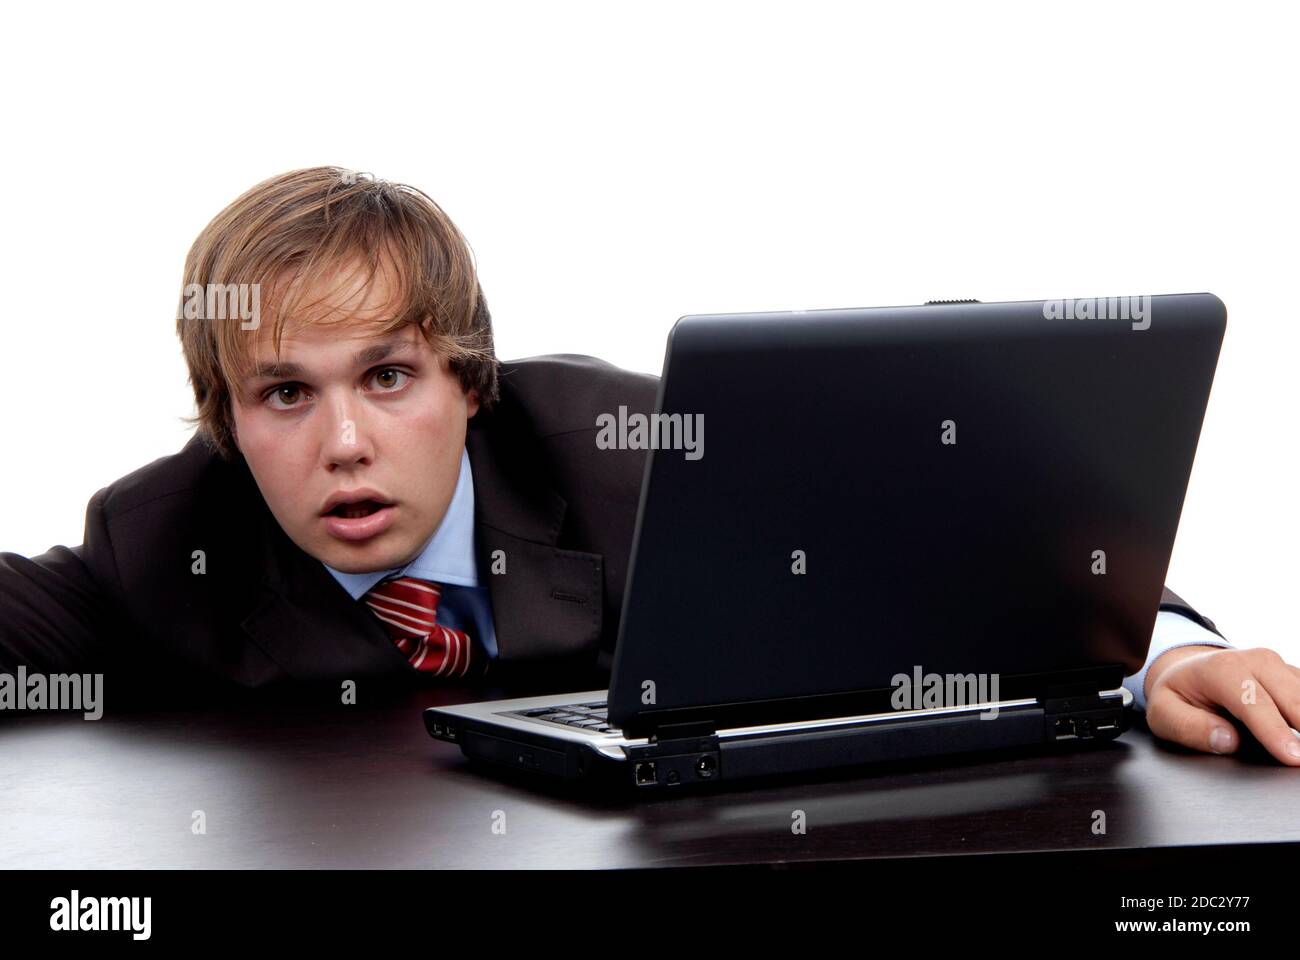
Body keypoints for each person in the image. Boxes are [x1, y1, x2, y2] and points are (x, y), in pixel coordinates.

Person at [1, 167, 1296, 766]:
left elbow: (963, 538)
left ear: (467, 376)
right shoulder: (164, 537)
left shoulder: (633, 459)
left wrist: (1169, 655)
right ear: (226, 421)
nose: (343, 442)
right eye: (285, 393)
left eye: (387, 376)